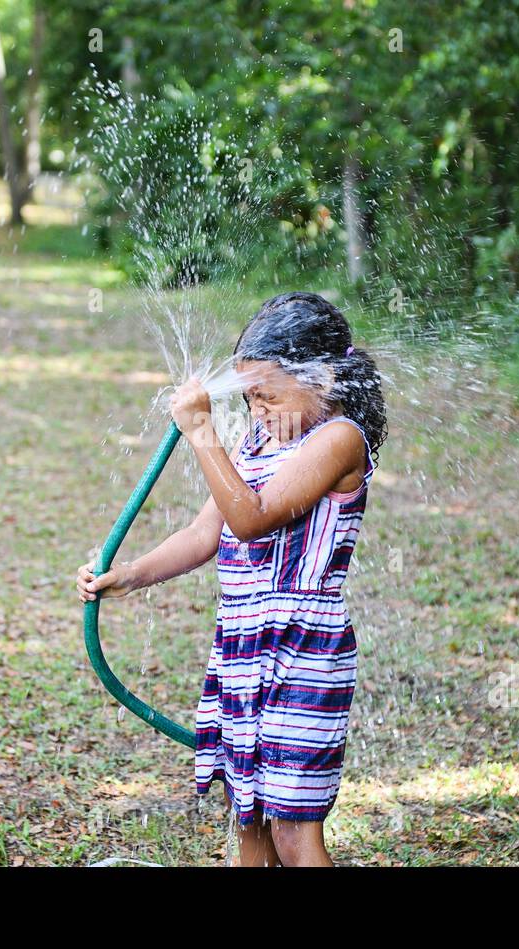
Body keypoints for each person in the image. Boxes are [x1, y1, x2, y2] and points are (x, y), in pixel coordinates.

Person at [76, 291, 387, 866]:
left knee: (294, 831)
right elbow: (204, 533)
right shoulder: (256, 440)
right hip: (243, 646)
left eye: (265, 394)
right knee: (248, 818)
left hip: (303, 648)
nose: (257, 407)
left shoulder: (338, 439)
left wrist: (201, 434)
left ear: (321, 378)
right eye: (248, 396)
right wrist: (129, 576)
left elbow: (250, 519)